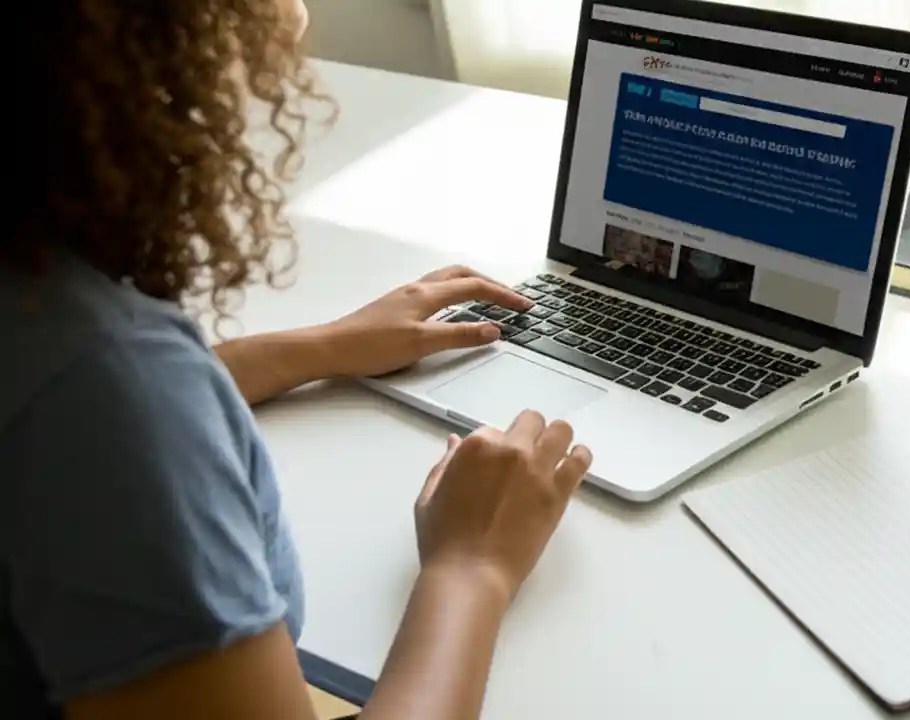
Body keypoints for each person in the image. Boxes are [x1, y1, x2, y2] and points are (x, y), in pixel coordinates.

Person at [0, 1, 591, 718]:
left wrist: (324, 346)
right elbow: (88, 408)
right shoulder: (101, 389)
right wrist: (472, 569)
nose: (292, 14)